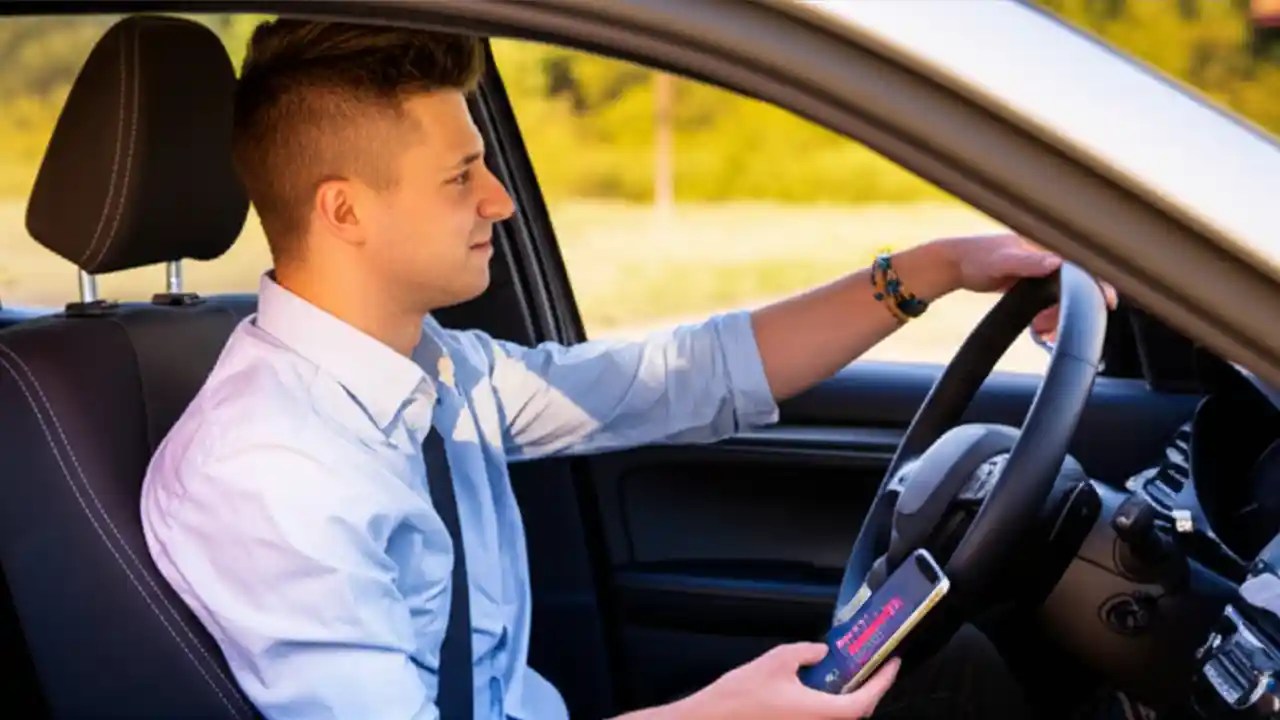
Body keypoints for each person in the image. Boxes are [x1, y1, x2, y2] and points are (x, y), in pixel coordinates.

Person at [140, 18, 1092, 720]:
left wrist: (939, 268)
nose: (499, 200)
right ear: (345, 211)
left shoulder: (438, 372)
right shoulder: (268, 470)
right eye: (459, 176)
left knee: (954, 670)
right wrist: (723, 715)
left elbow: (688, 375)